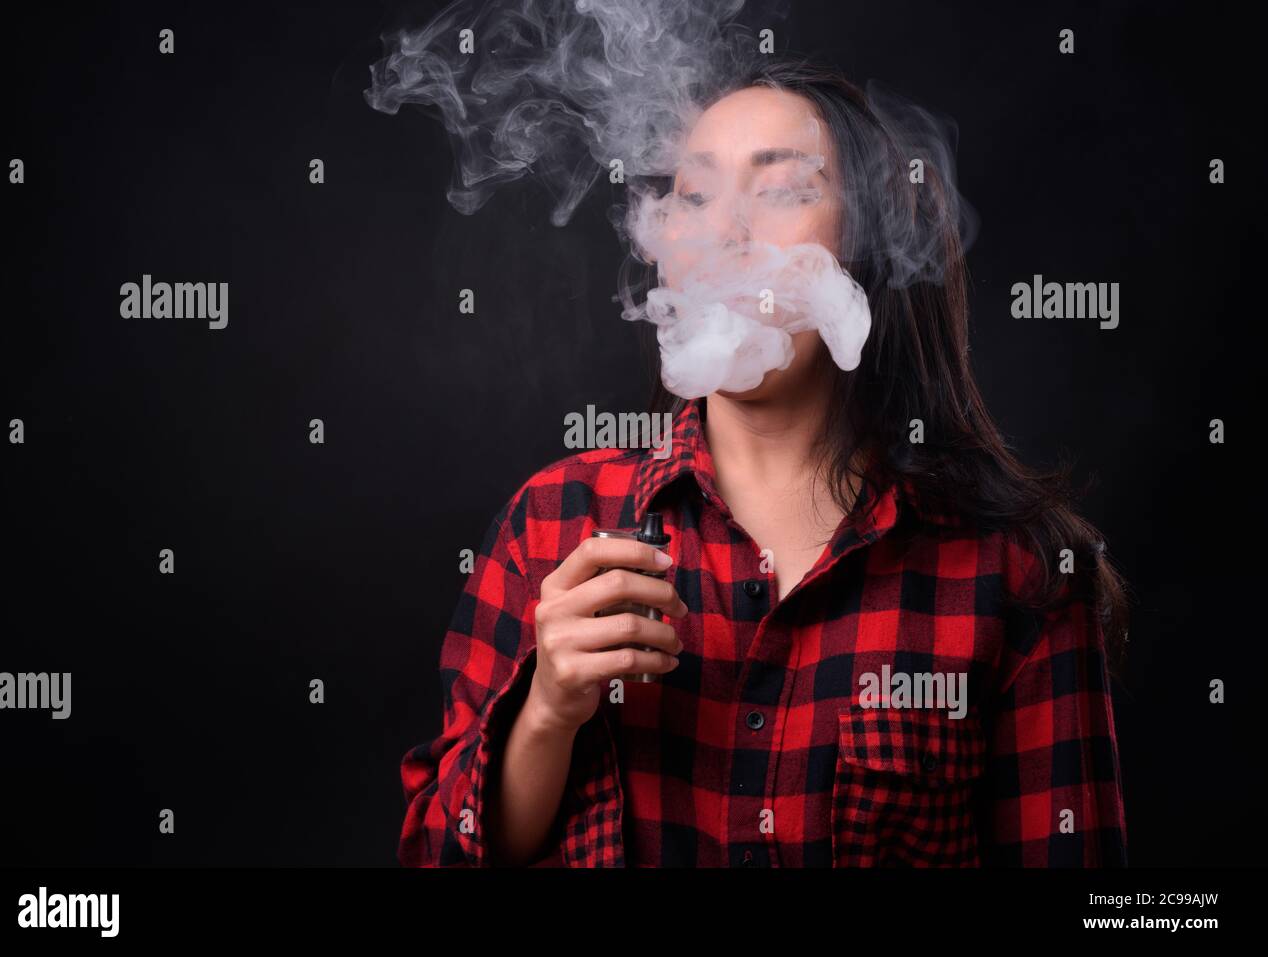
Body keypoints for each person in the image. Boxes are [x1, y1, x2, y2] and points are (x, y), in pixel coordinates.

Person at [396, 59, 1129, 867]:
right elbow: (438, 852)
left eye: (782, 191)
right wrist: (546, 709)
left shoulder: (1016, 572)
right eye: (695, 198)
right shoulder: (555, 521)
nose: (726, 236)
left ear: (873, 246)